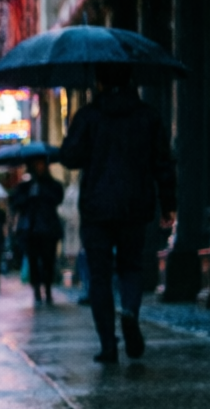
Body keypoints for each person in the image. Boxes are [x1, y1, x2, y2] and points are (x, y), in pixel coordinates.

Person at [59, 65, 177, 362]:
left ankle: (108, 344)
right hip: (135, 204)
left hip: (96, 207)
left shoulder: (88, 116)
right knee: (131, 266)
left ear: (99, 82)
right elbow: (163, 162)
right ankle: (130, 312)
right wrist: (168, 203)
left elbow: (69, 156)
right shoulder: (147, 116)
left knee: (99, 275)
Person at [11, 158, 65, 304]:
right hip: (30, 229)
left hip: (48, 228)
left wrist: (41, 192)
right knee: (33, 260)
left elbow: (58, 198)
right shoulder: (25, 186)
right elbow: (16, 203)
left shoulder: (52, 185)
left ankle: (47, 288)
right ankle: (36, 289)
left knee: (48, 260)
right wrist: (29, 195)